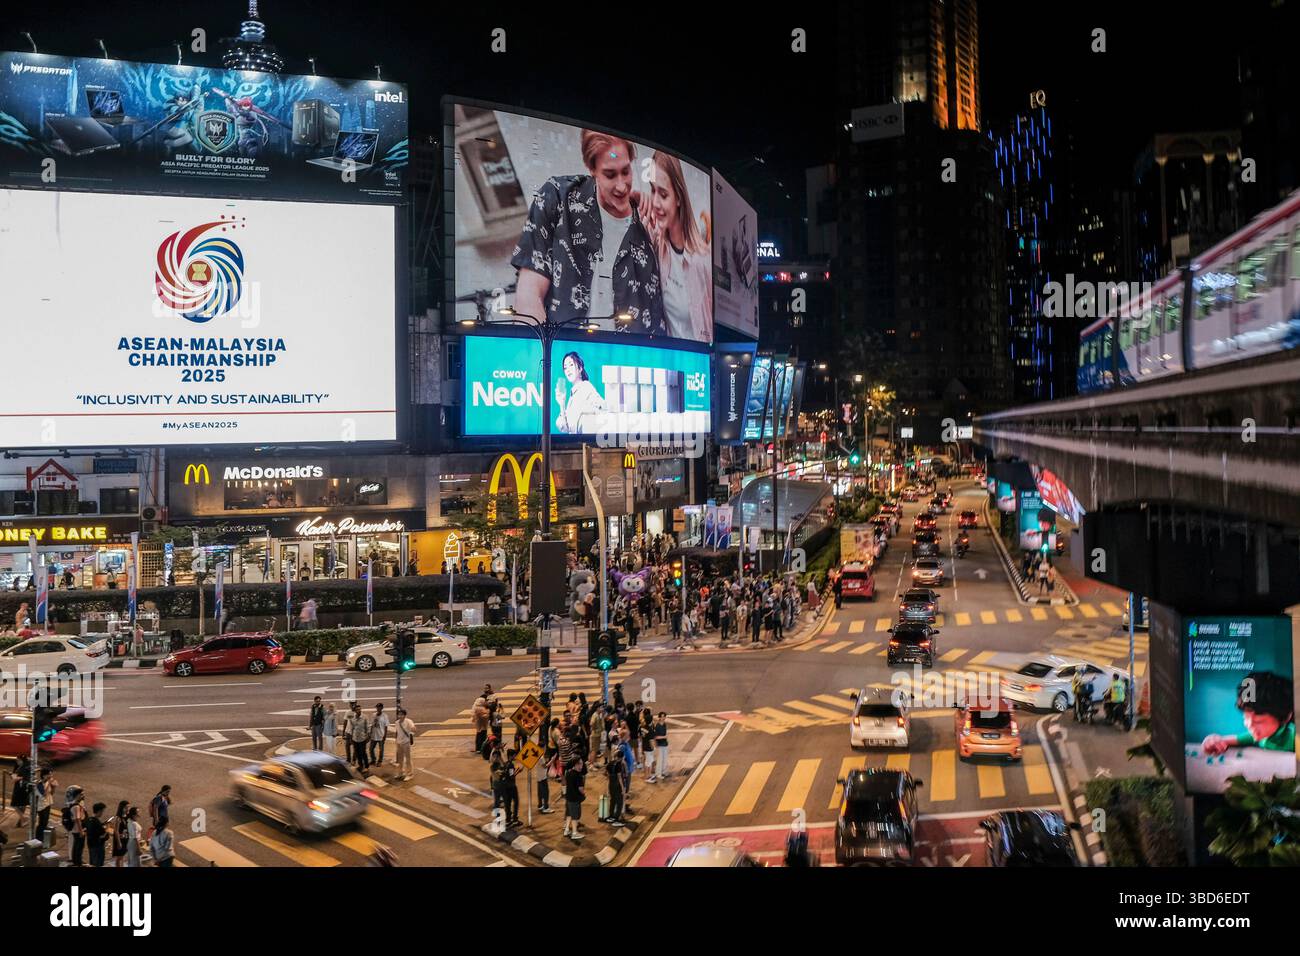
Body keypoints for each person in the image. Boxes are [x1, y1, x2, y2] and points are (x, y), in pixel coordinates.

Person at [510, 129, 667, 338]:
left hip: (629, 361)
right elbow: (528, 297)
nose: (621, 186)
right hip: (562, 357)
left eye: (626, 171)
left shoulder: (648, 222)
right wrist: (547, 357)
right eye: (610, 175)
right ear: (591, 168)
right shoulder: (558, 198)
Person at [1201, 671, 1296, 756]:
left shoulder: (1293, 735)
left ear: (1286, 717)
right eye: (1245, 717)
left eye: (1259, 721)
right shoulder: (1261, 734)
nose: (1249, 725)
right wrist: (1212, 740)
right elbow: (1226, 740)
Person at [553, 351, 608, 435]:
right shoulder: (573, 395)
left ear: (580, 368)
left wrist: (584, 412)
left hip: (586, 443)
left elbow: (603, 410)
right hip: (576, 444)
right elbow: (566, 429)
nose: (568, 370)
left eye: (571, 365)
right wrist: (562, 404)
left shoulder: (586, 387)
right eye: (565, 367)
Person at [562, 758, 586, 842]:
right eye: (580, 764)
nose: (581, 766)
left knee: (569, 814)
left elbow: (565, 784)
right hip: (575, 798)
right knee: (575, 816)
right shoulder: (578, 776)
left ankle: (567, 830)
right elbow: (580, 788)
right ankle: (575, 833)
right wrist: (583, 793)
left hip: (568, 797)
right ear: (575, 764)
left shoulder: (568, 773)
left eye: (582, 764)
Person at [604, 745, 627, 827]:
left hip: (611, 784)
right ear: (622, 757)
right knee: (619, 802)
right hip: (617, 785)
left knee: (612, 800)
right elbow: (620, 777)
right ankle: (617, 819)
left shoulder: (610, 763)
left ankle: (611, 816)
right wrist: (623, 789)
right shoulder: (619, 765)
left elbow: (605, 773)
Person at [65, 786, 87, 866]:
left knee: (76, 846)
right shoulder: (76, 806)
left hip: (75, 830)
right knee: (79, 847)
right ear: (77, 795)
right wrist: (81, 831)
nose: (83, 796)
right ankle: (78, 862)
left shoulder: (73, 804)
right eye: (81, 794)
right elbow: (77, 819)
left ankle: (75, 861)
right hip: (78, 830)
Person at [394, 707, 416, 781]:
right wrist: (396, 741)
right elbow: (397, 732)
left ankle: (410, 774)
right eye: (399, 715)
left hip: (406, 743)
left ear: (405, 715)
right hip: (399, 743)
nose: (400, 716)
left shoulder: (408, 721)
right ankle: (400, 773)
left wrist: (412, 729)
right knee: (400, 759)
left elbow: (414, 728)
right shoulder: (397, 722)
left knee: (408, 759)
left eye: (401, 715)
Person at [347, 705, 371, 772]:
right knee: (357, 753)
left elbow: (367, 727)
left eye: (360, 709)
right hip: (355, 738)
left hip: (362, 738)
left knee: (363, 753)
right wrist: (351, 737)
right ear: (355, 711)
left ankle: (366, 766)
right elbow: (351, 728)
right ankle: (360, 765)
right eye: (357, 710)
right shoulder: (353, 718)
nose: (359, 711)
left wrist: (368, 736)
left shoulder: (364, 717)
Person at [86, 802, 108, 867]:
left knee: (92, 863)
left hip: (91, 845)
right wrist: (107, 828)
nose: (102, 813)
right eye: (102, 811)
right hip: (97, 847)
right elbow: (103, 835)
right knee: (98, 864)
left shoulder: (89, 820)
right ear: (99, 811)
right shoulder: (96, 822)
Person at [109, 800, 130, 868]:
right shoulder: (118, 818)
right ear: (122, 808)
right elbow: (116, 831)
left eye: (128, 807)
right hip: (120, 840)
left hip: (125, 839)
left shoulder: (126, 817)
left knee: (122, 856)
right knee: (119, 858)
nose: (128, 809)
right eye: (126, 807)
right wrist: (119, 843)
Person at [10, 754, 30, 827]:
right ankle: (21, 821)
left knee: (14, 804)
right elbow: (15, 774)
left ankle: (23, 818)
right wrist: (14, 777)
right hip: (19, 787)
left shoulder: (26, 767)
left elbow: (25, 777)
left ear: (22, 760)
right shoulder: (19, 766)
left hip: (22, 788)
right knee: (21, 804)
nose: (17, 761)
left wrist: (16, 778)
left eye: (18, 760)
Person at [654, 712, 670, 780]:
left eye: (664, 716)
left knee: (665, 759)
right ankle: (658, 773)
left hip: (665, 744)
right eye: (662, 716)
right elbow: (656, 737)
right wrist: (664, 737)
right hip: (660, 745)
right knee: (660, 759)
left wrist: (666, 739)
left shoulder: (664, 724)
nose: (663, 718)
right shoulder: (657, 726)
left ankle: (664, 771)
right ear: (659, 717)